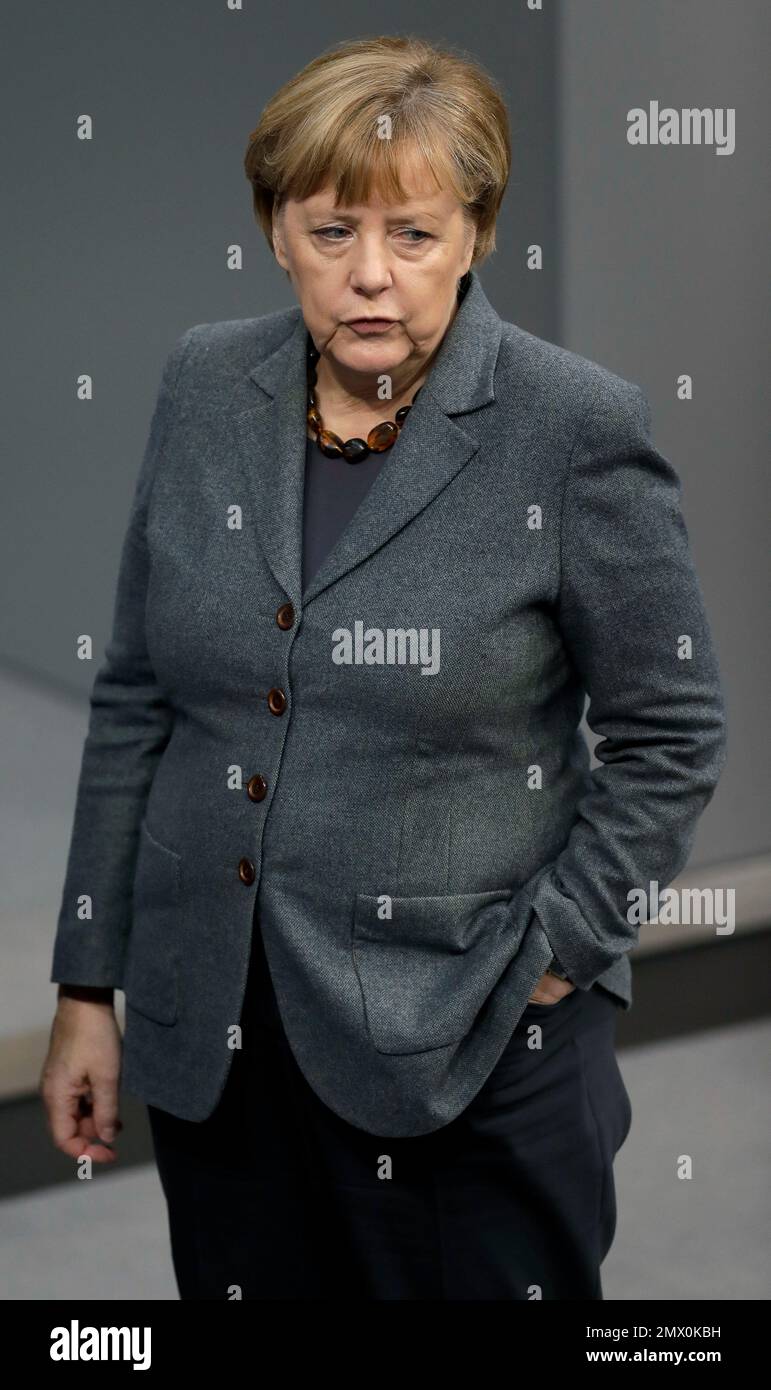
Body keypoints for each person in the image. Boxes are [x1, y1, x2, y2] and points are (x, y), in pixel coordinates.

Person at [40, 35, 727, 1300]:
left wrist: (555, 952)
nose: (370, 276)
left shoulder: (572, 429)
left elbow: (675, 729)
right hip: (222, 1042)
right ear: (275, 229)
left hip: (467, 1045)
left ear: (475, 235)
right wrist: (89, 982)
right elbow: (140, 694)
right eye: (332, 228)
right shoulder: (205, 384)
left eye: (412, 233)